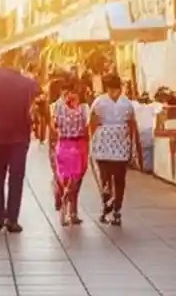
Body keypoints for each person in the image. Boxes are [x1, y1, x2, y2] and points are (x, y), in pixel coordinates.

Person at [0, 49, 39, 233]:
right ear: (17, 58)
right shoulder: (26, 81)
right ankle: (12, 219)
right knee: (16, 178)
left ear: (2, 58)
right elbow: (38, 91)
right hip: (19, 136)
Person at [90, 73, 142, 226]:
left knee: (105, 178)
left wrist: (91, 143)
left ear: (106, 87)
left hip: (103, 143)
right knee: (120, 179)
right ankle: (117, 211)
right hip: (121, 143)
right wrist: (135, 147)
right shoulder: (127, 103)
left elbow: (92, 123)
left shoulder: (99, 102)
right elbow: (132, 125)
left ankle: (107, 205)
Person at [51, 83, 90, 226]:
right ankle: (69, 207)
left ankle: (69, 207)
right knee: (75, 180)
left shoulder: (57, 106)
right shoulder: (84, 109)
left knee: (69, 179)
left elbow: (53, 127)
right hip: (77, 145)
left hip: (65, 144)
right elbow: (88, 128)